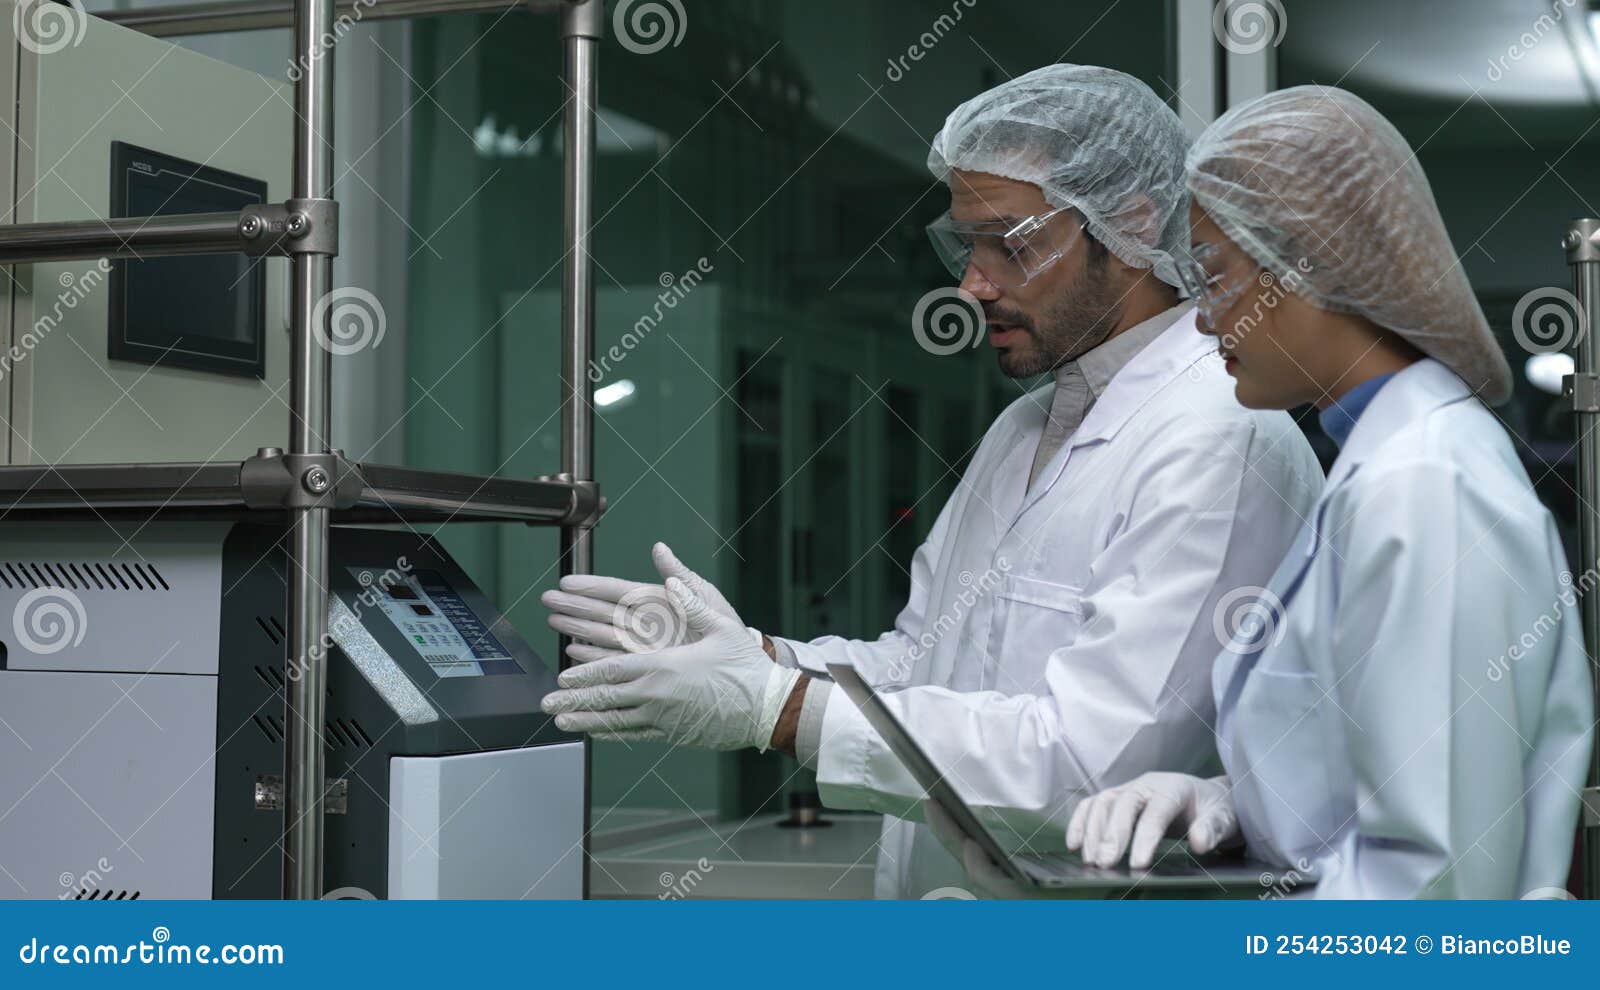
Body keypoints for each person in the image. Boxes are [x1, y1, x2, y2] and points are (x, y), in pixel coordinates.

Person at [541, 64, 1323, 899]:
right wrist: (752, 657)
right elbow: (924, 660)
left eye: (1012, 245)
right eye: (966, 246)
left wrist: (775, 708)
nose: (971, 285)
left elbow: (1095, 765)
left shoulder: (1219, 435)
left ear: (1131, 224)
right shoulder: (1024, 426)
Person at [939, 86, 1595, 899]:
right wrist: (1238, 802)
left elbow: (1437, 894)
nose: (1207, 322)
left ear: (1311, 266)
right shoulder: (1380, 463)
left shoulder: (1424, 483)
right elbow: (1380, 781)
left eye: (1215, 278)